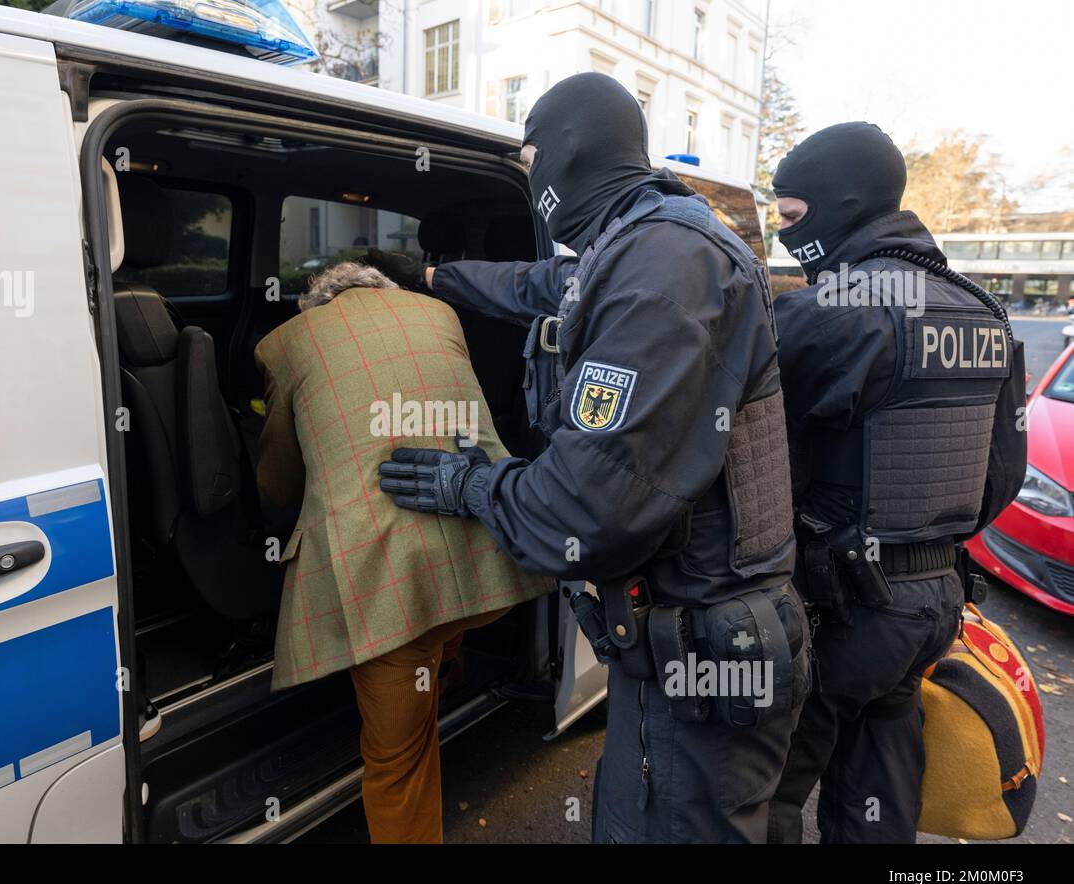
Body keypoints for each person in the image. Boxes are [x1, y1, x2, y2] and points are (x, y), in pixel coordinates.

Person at [372, 73, 809, 843]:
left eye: (530, 160)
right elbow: (541, 285)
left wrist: (469, 485)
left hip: (703, 648)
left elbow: (584, 507)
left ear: (567, 152)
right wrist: (435, 278)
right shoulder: (640, 242)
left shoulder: (664, 267)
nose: (531, 180)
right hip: (689, 641)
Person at [764, 122, 1024, 844]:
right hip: (933, 604)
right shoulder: (984, 311)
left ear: (841, 205)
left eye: (792, 216)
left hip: (836, 607)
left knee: (764, 790)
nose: (785, 235)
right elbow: (1003, 474)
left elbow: (745, 458)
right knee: (877, 790)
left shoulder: (826, 314)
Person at [253, 261, 552, 844]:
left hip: (394, 597)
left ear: (320, 306)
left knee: (399, 762)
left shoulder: (286, 344)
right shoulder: (440, 314)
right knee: (439, 629)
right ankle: (444, 669)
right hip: (496, 562)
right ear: (386, 294)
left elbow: (280, 485)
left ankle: (430, 676)